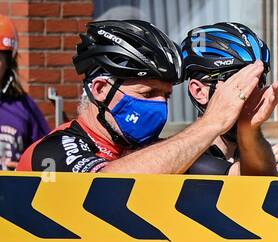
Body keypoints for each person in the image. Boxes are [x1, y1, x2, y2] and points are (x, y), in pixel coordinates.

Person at [18, 18, 262, 174]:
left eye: (166, 95)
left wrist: (250, 133)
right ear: (101, 89)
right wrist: (211, 123)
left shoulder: (154, 151)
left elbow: (238, 180)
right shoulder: (54, 150)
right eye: (148, 92)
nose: (160, 105)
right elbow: (103, 187)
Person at [179, 21, 278, 176]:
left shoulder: (257, 152)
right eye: (238, 81)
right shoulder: (182, 159)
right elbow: (240, 176)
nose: (250, 91)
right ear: (199, 91)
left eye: (258, 80)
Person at [0, 14, 49, 170]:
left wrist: (25, 168)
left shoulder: (24, 107)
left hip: (13, 192)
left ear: (9, 62)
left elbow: (48, 158)